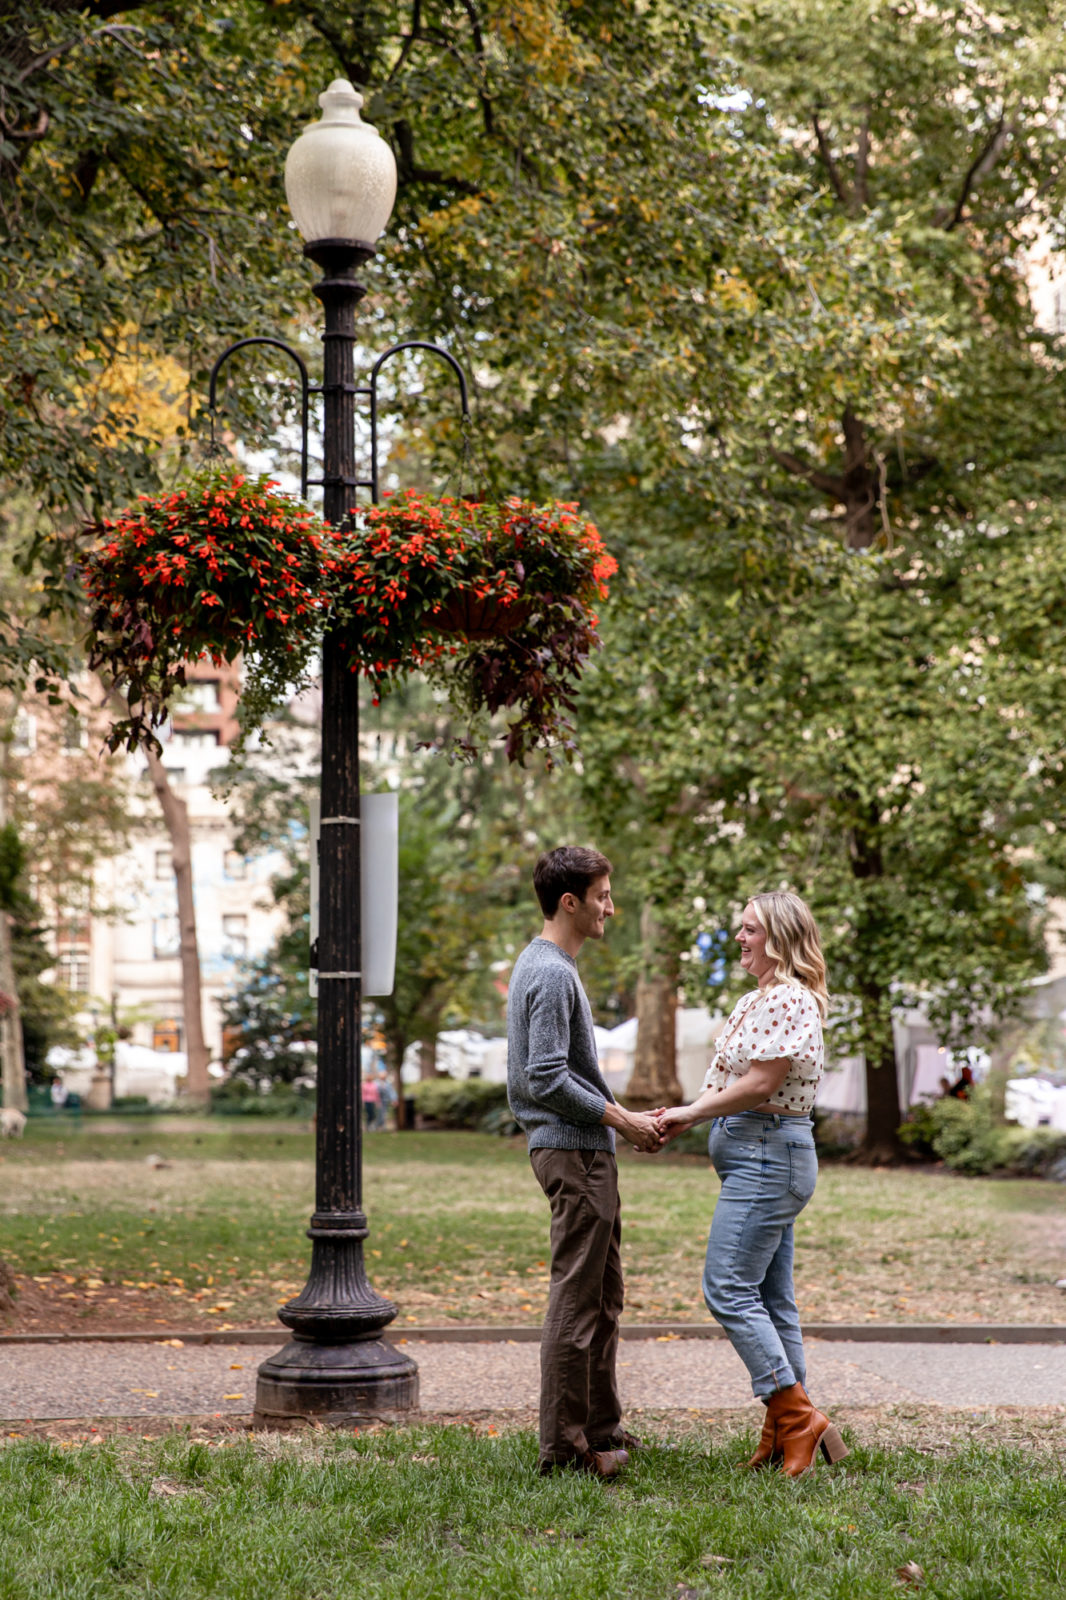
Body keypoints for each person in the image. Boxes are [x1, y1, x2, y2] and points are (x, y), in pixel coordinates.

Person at [657, 891, 849, 1478]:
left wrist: (690, 1114)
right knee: (770, 1299)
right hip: (761, 1156)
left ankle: (799, 1420)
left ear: (781, 938)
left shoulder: (789, 998)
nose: (739, 939)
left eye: (750, 930)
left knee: (727, 1289)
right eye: (739, 929)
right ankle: (782, 1434)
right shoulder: (760, 997)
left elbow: (763, 1082)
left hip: (768, 1154)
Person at [507, 845, 663, 1479]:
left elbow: (566, 1071)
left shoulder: (551, 966)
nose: (610, 906)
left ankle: (601, 1429)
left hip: (585, 1151)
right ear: (569, 902)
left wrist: (622, 1119)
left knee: (603, 1297)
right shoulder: (548, 972)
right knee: (577, 1303)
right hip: (572, 1154)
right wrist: (621, 1119)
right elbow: (544, 1077)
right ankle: (566, 1452)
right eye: (602, 895)